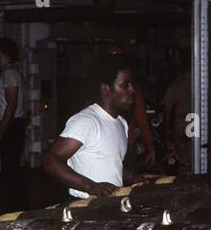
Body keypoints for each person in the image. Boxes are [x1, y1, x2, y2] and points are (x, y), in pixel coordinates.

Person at [43, 54, 156, 198]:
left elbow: (107, 165)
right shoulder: (87, 121)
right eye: (125, 85)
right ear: (105, 89)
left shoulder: (121, 123)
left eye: (132, 84)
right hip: (84, 208)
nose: (132, 90)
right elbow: (50, 161)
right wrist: (90, 187)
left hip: (109, 204)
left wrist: (134, 177)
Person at [0, 37, 28, 211]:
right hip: (12, 125)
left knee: (10, 168)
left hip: (10, 126)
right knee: (10, 167)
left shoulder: (9, 74)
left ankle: (12, 208)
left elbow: (11, 105)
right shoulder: (10, 72)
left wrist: (1, 131)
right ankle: (14, 206)